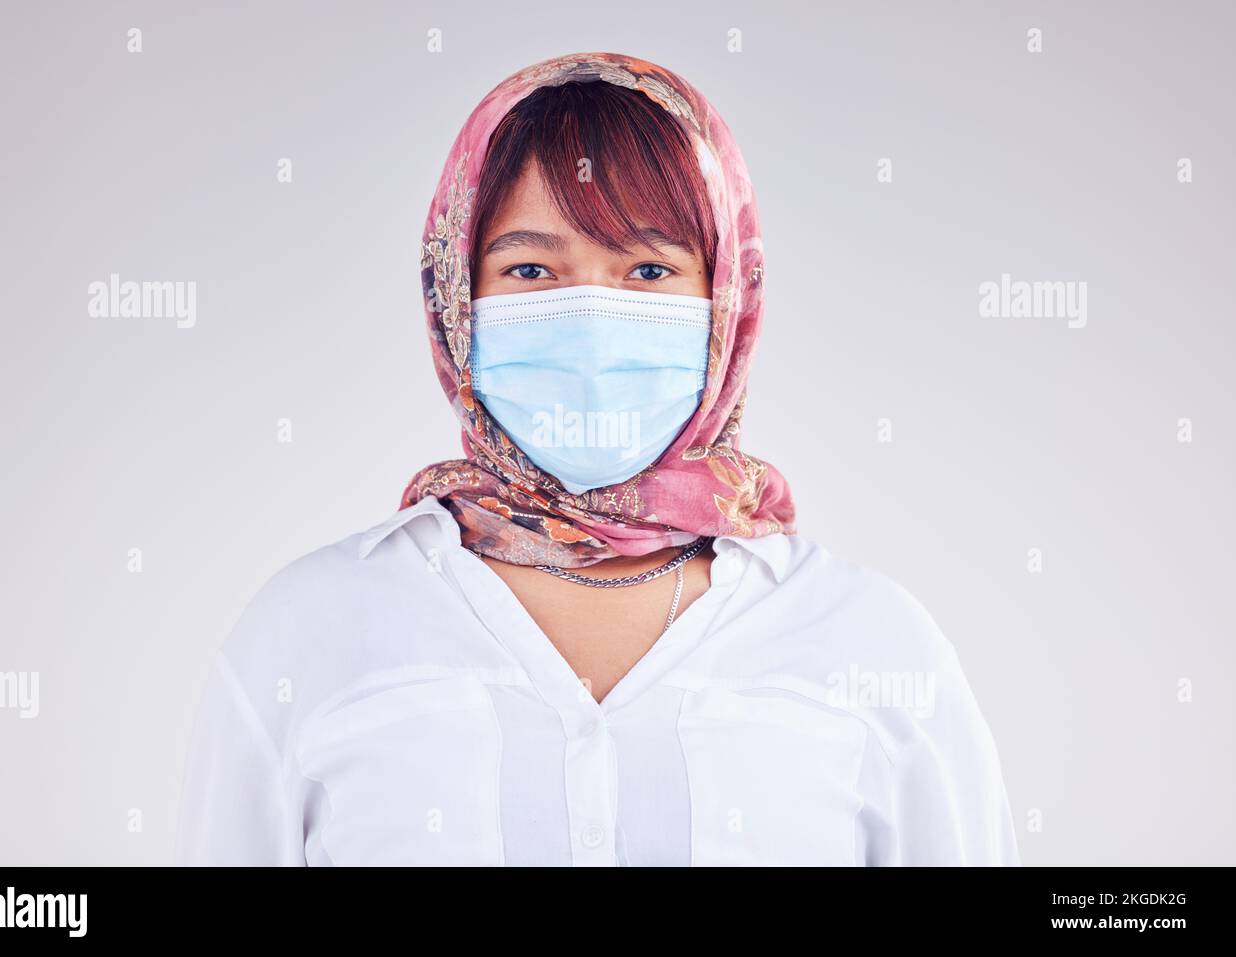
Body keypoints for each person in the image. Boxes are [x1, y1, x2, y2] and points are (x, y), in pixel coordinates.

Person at [174, 51, 1021, 866]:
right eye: (532, 267)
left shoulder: (871, 642)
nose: (588, 319)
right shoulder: (308, 632)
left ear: (726, 297)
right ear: (455, 296)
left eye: (649, 268)